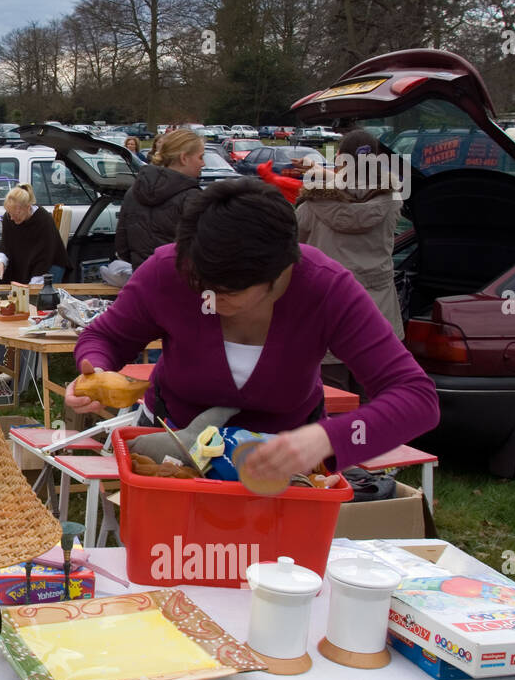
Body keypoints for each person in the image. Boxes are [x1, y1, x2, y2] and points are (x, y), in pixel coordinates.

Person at [66, 177, 439, 481]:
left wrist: (328, 439)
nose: (206, 299)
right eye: (199, 285)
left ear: (280, 273)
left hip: (284, 464)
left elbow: (416, 398)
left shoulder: (326, 289)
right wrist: (95, 368)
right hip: (173, 450)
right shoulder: (168, 271)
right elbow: (105, 337)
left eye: (226, 293)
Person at [296, 128, 404, 395]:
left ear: (341, 160)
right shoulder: (392, 200)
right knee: (375, 400)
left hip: (328, 315)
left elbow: (291, 246)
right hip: (378, 316)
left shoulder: (312, 206)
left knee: (332, 403)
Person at [115, 128, 203, 268]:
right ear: (184, 158)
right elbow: (203, 248)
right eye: (200, 157)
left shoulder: (133, 192)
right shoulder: (192, 197)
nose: (203, 163)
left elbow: (122, 245)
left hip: (142, 278)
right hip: (180, 281)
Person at [0, 183, 71, 285]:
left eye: (16, 214)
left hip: (51, 263)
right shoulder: (9, 217)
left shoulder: (44, 220)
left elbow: (45, 257)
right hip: (28, 262)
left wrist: (31, 287)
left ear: (28, 207)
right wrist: (1, 265)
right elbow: (5, 245)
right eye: (10, 214)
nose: (12, 218)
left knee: (42, 298)